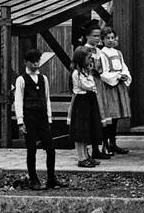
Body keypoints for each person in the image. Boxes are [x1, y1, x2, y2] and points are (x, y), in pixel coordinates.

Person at [14, 48, 64, 190]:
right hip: (29, 118)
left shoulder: (44, 78)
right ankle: (33, 179)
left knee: (50, 149)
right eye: (33, 62)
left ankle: (51, 178)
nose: (36, 64)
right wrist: (20, 121)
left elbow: (47, 98)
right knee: (31, 150)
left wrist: (49, 117)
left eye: (38, 61)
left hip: (42, 118)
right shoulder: (21, 79)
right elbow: (18, 100)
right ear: (26, 62)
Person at [94, 26, 132, 157]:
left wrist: (124, 75)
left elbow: (124, 67)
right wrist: (116, 77)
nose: (111, 40)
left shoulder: (118, 53)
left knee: (115, 118)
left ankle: (113, 143)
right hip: (109, 88)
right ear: (102, 40)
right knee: (108, 117)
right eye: (107, 38)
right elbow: (102, 73)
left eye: (112, 38)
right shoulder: (102, 54)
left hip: (118, 87)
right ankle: (105, 144)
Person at [68, 46, 103, 168]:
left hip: (89, 101)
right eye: (88, 58)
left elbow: (92, 85)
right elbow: (88, 85)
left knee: (86, 130)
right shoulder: (77, 74)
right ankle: (81, 158)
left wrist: (90, 73)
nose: (90, 61)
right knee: (80, 131)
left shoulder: (85, 72)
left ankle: (86, 156)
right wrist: (90, 76)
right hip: (81, 102)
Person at [81, 21, 109, 161]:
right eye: (95, 36)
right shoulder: (82, 50)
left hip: (99, 84)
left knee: (99, 116)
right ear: (87, 36)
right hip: (88, 85)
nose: (97, 39)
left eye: (99, 36)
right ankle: (87, 152)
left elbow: (102, 68)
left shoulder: (99, 51)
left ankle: (98, 149)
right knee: (90, 117)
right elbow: (78, 68)